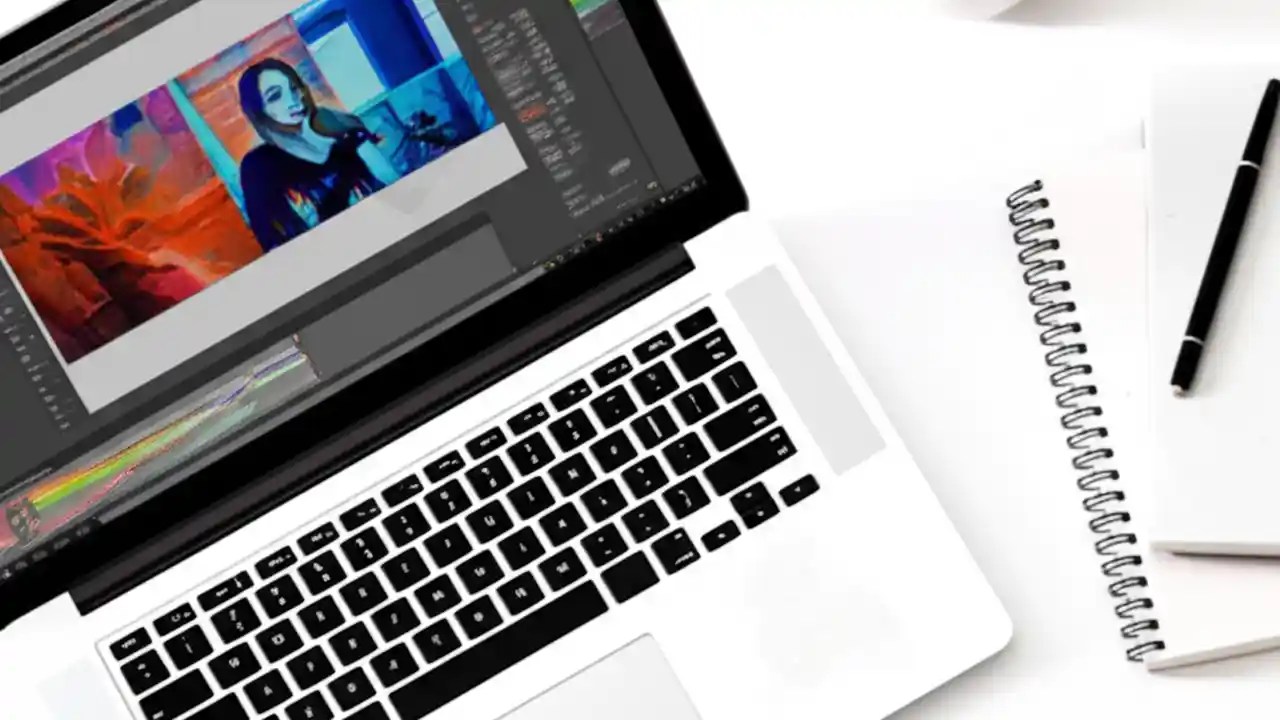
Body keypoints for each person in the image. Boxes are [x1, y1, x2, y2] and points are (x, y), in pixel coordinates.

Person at [237, 58, 400, 251]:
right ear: (259, 110)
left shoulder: (342, 135)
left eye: (294, 88)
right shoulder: (258, 166)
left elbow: (393, 189)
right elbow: (273, 241)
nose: (293, 100)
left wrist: (352, 136)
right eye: (274, 96)